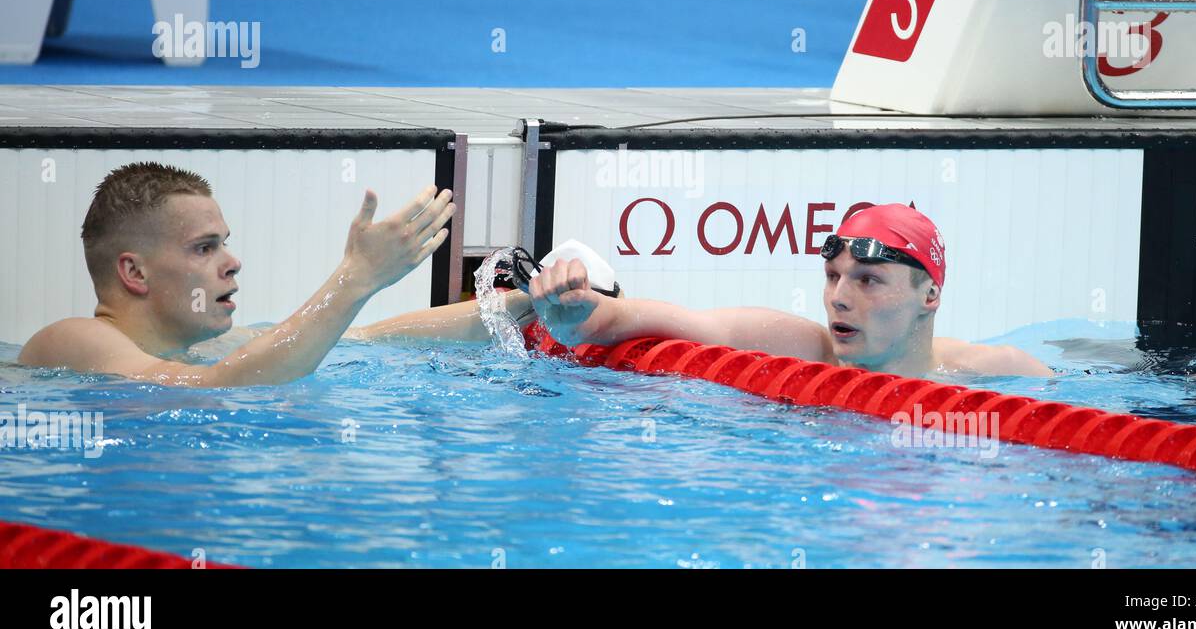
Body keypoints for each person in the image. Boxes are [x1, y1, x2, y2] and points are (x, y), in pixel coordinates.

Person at [18, 162, 532, 387]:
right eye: (204, 247)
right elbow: (215, 389)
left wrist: (526, 300)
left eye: (225, 242)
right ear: (134, 271)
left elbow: (371, 339)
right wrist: (356, 276)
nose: (232, 261)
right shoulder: (73, 342)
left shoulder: (207, 349)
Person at [526, 203, 1051, 377]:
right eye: (832, 277)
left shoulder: (1001, 371)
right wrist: (579, 316)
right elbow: (662, 318)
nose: (840, 297)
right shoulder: (793, 345)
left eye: (868, 280)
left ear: (929, 296)